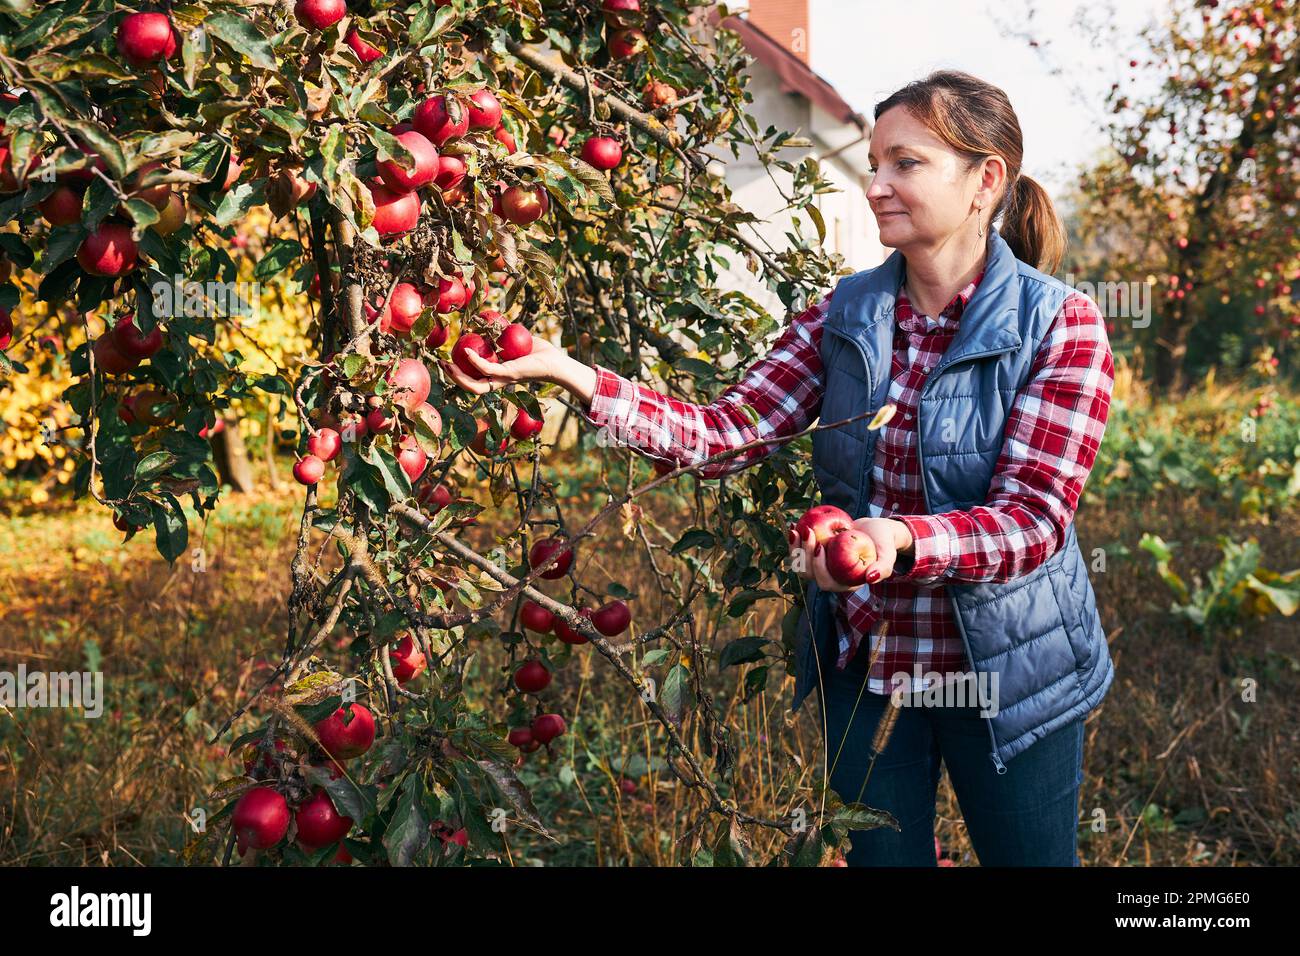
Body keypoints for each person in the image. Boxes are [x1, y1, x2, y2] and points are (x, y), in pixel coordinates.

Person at [445, 70, 1115, 867]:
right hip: (872, 667)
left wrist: (895, 541)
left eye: (906, 164)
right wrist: (573, 376)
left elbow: (1034, 520)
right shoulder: (847, 315)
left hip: (1010, 670)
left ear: (986, 180)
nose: (875, 186)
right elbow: (729, 435)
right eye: (874, 164)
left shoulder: (1059, 324)